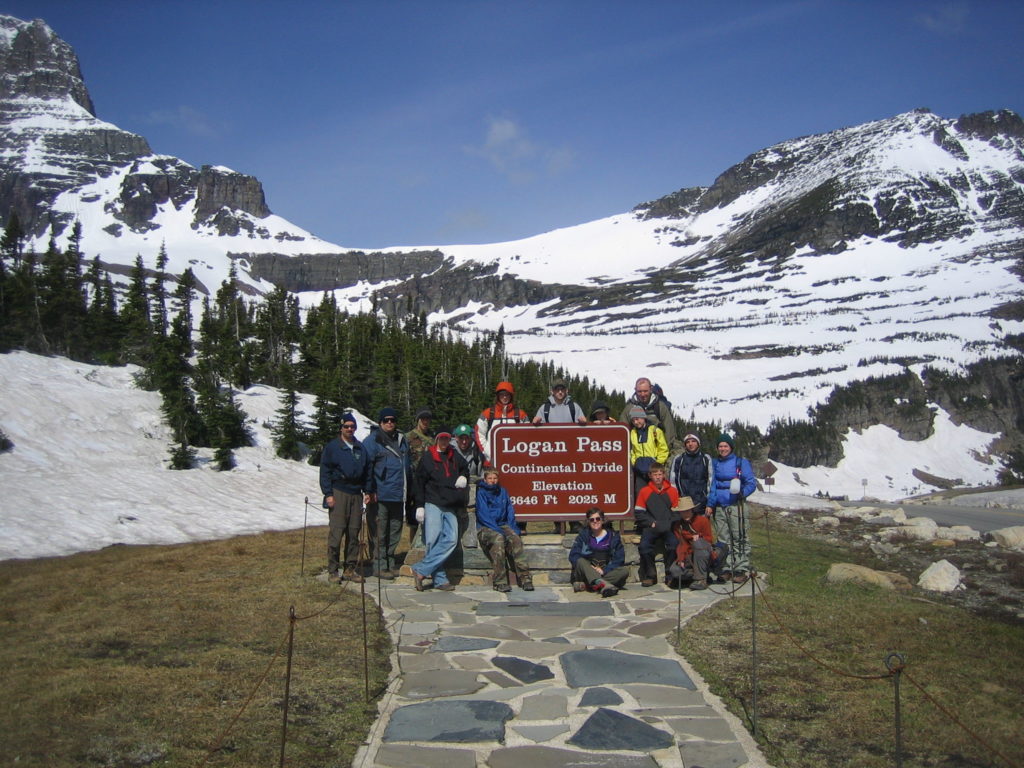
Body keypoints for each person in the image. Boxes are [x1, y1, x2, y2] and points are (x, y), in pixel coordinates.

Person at [410, 426, 469, 591]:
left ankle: (420, 569)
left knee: (451, 539)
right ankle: (440, 580)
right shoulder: (428, 458)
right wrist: (420, 506)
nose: (444, 442)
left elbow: (465, 467)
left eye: (447, 439)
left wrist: (463, 476)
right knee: (432, 541)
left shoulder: (453, 455)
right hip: (432, 503)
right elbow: (419, 483)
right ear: (436, 440)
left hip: (450, 504)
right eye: (441, 438)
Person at [318, 412, 369, 583]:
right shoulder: (333, 447)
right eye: (346, 426)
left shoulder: (361, 448)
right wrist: (328, 494)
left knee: (353, 533)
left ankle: (349, 569)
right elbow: (325, 472)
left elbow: (367, 472)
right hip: (338, 492)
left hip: (356, 494)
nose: (349, 429)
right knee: (337, 533)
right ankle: (333, 570)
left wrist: (368, 491)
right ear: (341, 428)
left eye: (352, 426)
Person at [363, 407, 410, 580]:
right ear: (380, 422)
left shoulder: (401, 440)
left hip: (398, 494)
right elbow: (366, 468)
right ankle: (379, 565)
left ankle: (390, 563)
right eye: (386, 420)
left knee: (395, 531)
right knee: (379, 533)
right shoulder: (372, 441)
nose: (389, 423)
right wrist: (370, 490)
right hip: (380, 494)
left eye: (392, 420)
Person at [708, 433, 757, 583]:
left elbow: (751, 482)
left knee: (739, 536)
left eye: (725, 446)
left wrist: (743, 493)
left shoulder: (741, 463)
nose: (723, 448)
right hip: (720, 507)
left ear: (731, 447)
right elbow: (712, 484)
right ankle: (727, 567)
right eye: (720, 446)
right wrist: (711, 503)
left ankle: (741, 568)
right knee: (723, 539)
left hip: (737, 505)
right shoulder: (714, 464)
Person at [475, 468, 533, 592]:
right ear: (485, 479)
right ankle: (499, 581)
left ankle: (525, 578)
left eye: (495, 478)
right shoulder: (481, 493)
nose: (492, 481)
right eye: (490, 478)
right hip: (486, 527)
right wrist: (498, 531)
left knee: (516, 539)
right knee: (498, 539)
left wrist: (513, 529)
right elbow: (483, 515)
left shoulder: (502, 491)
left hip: (502, 524)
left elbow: (509, 510)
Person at [633, 462, 680, 586]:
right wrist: (650, 523)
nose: (658, 477)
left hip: (668, 526)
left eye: (660, 474)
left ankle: (670, 574)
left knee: (674, 545)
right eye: (655, 475)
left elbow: (677, 512)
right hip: (651, 526)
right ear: (650, 476)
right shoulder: (644, 491)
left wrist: (668, 523)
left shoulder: (673, 491)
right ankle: (650, 574)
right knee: (644, 547)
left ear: (664, 475)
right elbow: (639, 512)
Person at [567, 507, 628, 597]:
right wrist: (589, 568)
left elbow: (619, 559)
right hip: (585, 571)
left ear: (602, 520)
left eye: (598, 519)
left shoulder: (613, 537)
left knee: (624, 571)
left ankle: (590, 585)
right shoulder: (583, 536)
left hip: (604, 571)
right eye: (592, 520)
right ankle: (602, 585)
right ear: (588, 522)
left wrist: (604, 571)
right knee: (580, 561)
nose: (595, 521)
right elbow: (573, 555)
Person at [668, 495, 719, 590]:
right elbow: (682, 544)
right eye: (682, 512)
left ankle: (701, 579)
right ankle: (694, 577)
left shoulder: (703, 521)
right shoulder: (678, 526)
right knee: (674, 570)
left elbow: (709, 540)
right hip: (689, 554)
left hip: (704, 553)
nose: (685, 514)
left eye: (687, 511)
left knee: (698, 543)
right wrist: (681, 558)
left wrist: (699, 537)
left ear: (692, 510)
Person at [475, 381, 530, 465]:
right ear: (497, 396)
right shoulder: (488, 413)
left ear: (511, 396)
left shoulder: (520, 414)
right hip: (491, 461)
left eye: (507, 394)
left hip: (515, 462)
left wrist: (520, 453)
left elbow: (527, 436)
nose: (504, 397)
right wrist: (489, 452)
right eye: (502, 394)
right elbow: (479, 433)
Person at [451, 423, 484, 555]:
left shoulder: (476, 452)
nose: (464, 441)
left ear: (471, 438)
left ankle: (472, 540)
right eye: (461, 438)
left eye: (466, 438)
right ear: (456, 438)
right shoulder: (450, 451)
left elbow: (482, 474)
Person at [619, 377, 680, 450]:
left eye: (645, 391)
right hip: (636, 454)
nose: (642, 394)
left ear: (651, 389)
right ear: (635, 390)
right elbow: (622, 433)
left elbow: (669, 432)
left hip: (657, 452)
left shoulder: (660, 407)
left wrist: (663, 454)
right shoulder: (629, 408)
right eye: (639, 391)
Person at [404, 408, 435, 536]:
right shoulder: (409, 437)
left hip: (429, 482)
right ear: (418, 420)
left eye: (427, 419)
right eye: (423, 419)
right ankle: (413, 549)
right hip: (413, 481)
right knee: (414, 518)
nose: (425, 422)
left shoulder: (433, 439)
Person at [628, 406, 669, 498]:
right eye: (633, 420)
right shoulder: (632, 433)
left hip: (654, 471)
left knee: (655, 495)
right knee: (640, 494)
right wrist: (634, 463)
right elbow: (632, 450)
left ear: (643, 417)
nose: (635, 422)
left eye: (637, 419)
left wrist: (658, 464)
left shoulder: (655, 430)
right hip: (639, 471)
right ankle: (640, 512)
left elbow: (663, 449)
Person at [669, 433, 713, 515]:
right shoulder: (679, 459)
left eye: (693, 441)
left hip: (701, 503)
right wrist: (676, 499)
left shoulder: (706, 459)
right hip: (684, 502)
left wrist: (709, 503)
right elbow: (673, 482)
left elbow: (710, 481)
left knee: (701, 526)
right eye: (688, 442)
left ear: (698, 443)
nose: (690, 444)